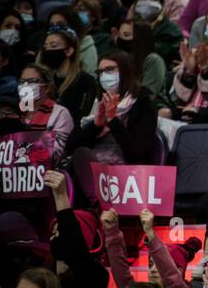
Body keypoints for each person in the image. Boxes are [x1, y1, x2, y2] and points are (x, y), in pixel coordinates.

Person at [65, 52, 159, 196]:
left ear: (125, 70)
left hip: (128, 177)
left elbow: (139, 153)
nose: (104, 75)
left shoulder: (143, 102)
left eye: (109, 70)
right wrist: (96, 125)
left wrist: (113, 121)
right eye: (100, 72)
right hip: (91, 171)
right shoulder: (95, 102)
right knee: (80, 155)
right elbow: (70, 147)